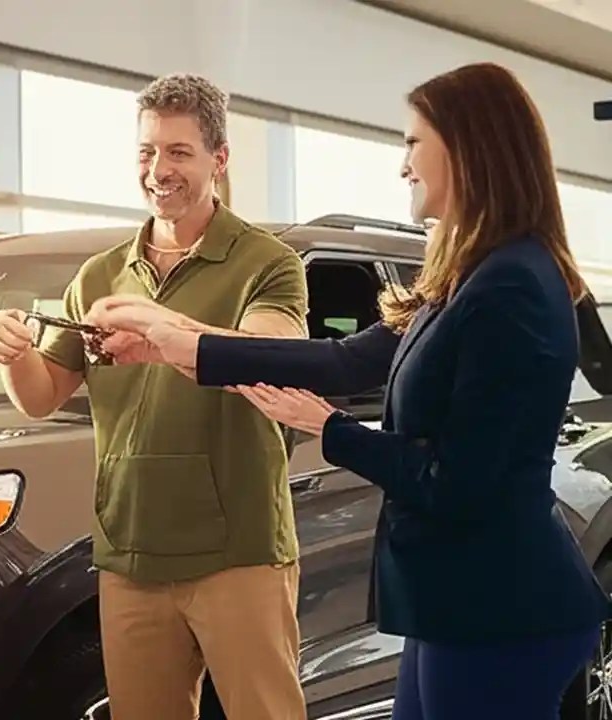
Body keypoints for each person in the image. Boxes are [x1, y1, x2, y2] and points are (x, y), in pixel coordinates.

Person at [85, 62, 610, 720]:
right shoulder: (470, 275)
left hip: (500, 607)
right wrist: (176, 341)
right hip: (457, 601)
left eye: (413, 142)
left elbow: (459, 484)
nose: (403, 165)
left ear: (468, 147)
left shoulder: (512, 285)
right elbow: (345, 360)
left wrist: (332, 430)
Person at [0, 73, 310, 720]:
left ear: (219, 159)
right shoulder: (99, 275)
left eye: (179, 152)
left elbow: (270, 355)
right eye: (147, 152)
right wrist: (13, 354)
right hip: (130, 553)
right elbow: (42, 396)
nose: (159, 170)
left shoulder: (268, 263)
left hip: (237, 552)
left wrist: (162, 330)